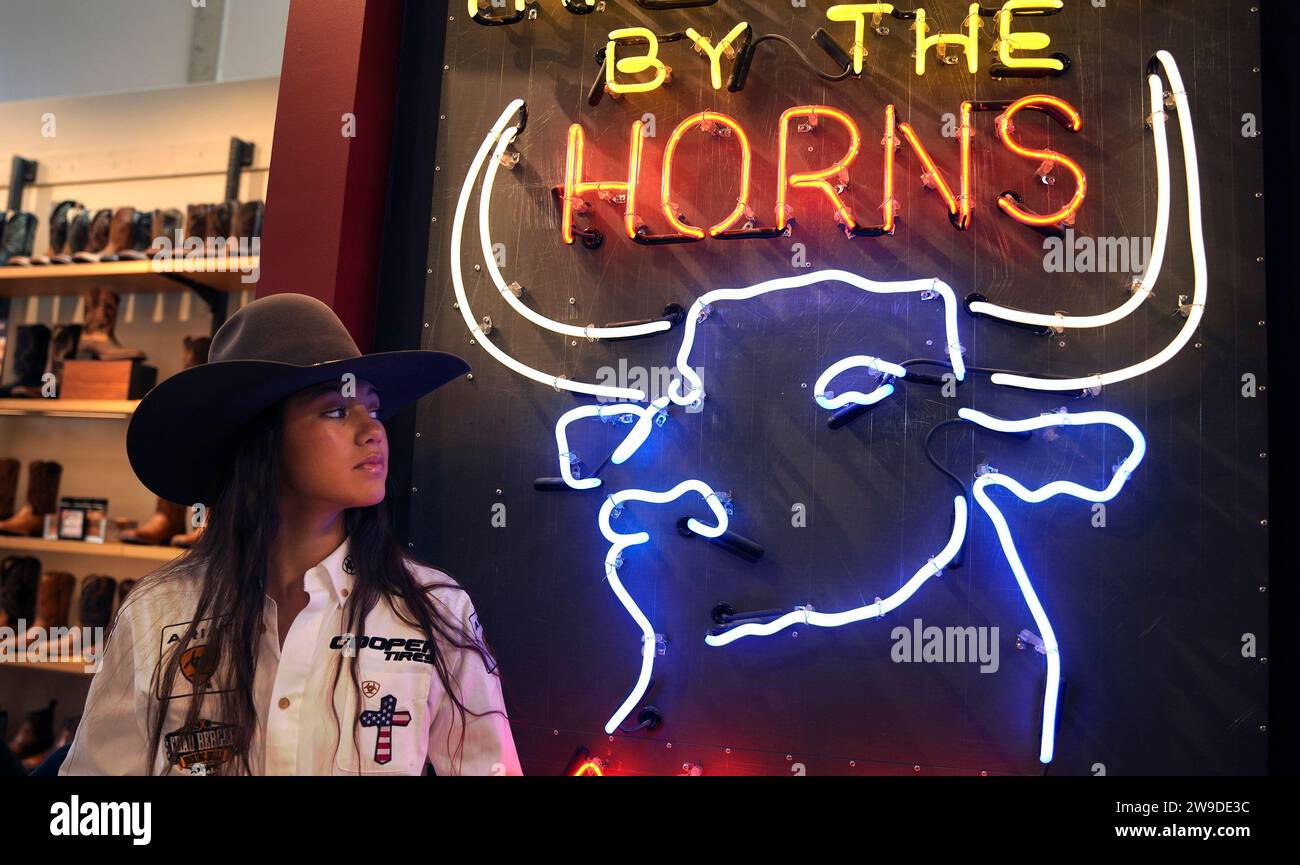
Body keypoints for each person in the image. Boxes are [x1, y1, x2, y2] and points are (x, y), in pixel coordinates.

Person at [59, 293, 521, 776]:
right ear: (263, 440)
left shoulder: (433, 610)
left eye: (374, 409)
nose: (373, 432)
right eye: (337, 412)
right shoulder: (158, 610)